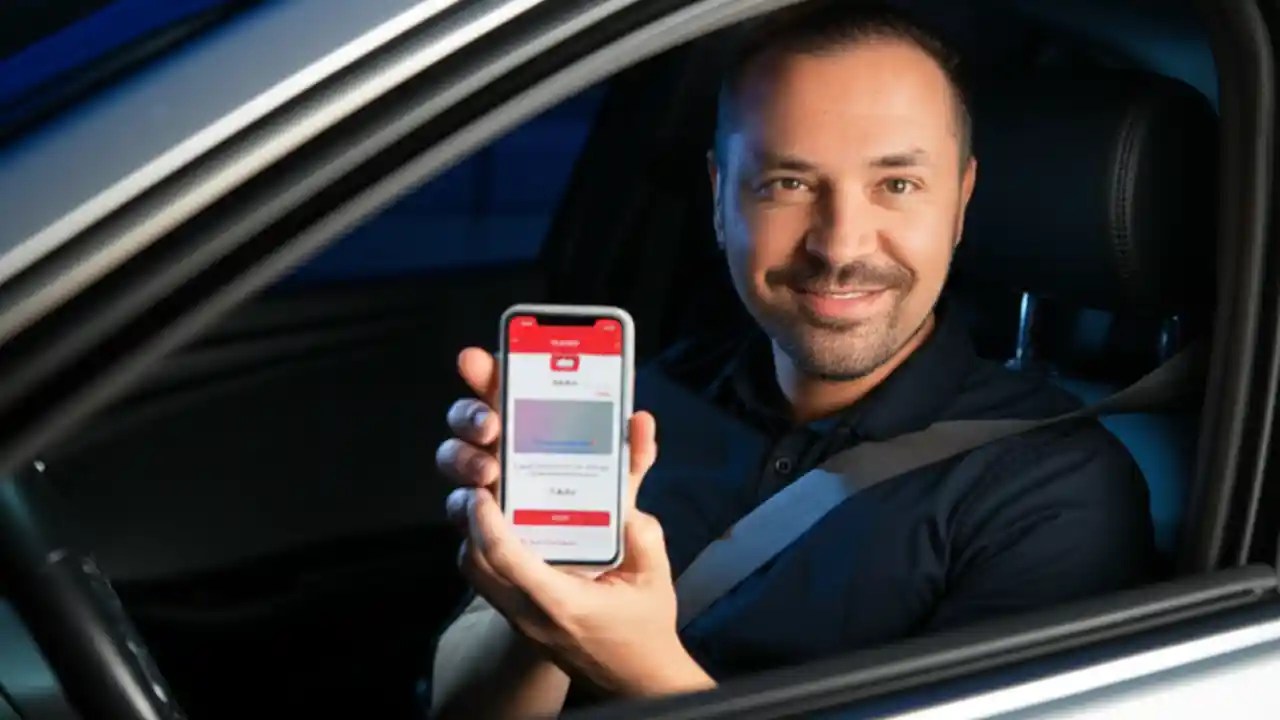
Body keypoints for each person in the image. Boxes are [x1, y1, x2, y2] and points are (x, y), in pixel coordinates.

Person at [428, 3, 1157, 717]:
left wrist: (641, 675)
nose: (840, 247)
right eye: (789, 184)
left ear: (960, 202)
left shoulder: (1056, 492)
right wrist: (537, 596)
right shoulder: (648, 403)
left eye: (896, 185)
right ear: (720, 199)